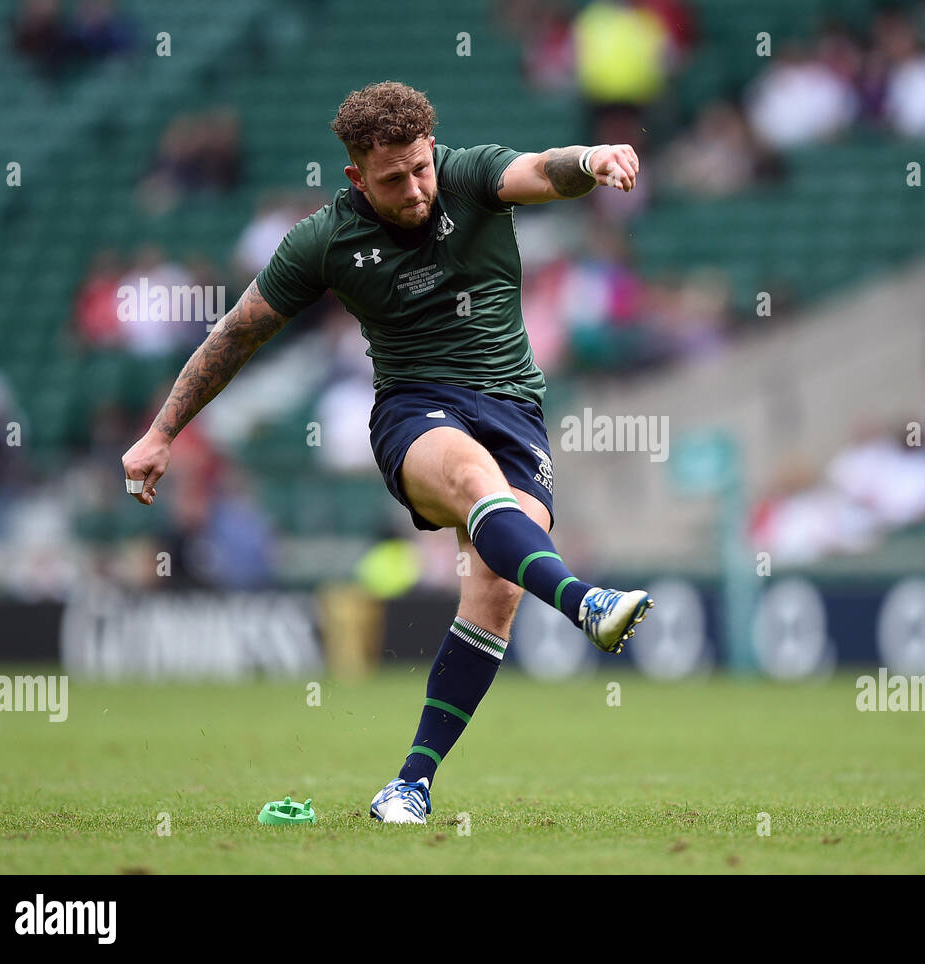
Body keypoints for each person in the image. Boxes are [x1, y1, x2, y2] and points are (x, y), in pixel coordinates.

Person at [121, 81, 654, 825]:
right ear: (355, 178)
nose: (413, 189)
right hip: (416, 409)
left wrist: (593, 157)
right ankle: (586, 601)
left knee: (498, 589)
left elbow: (540, 170)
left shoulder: (470, 176)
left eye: (420, 168)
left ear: (433, 151)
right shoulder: (326, 241)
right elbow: (238, 331)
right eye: (392, 178)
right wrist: (161, 431)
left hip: (515, 411)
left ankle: (411, 784)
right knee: (472, 480)